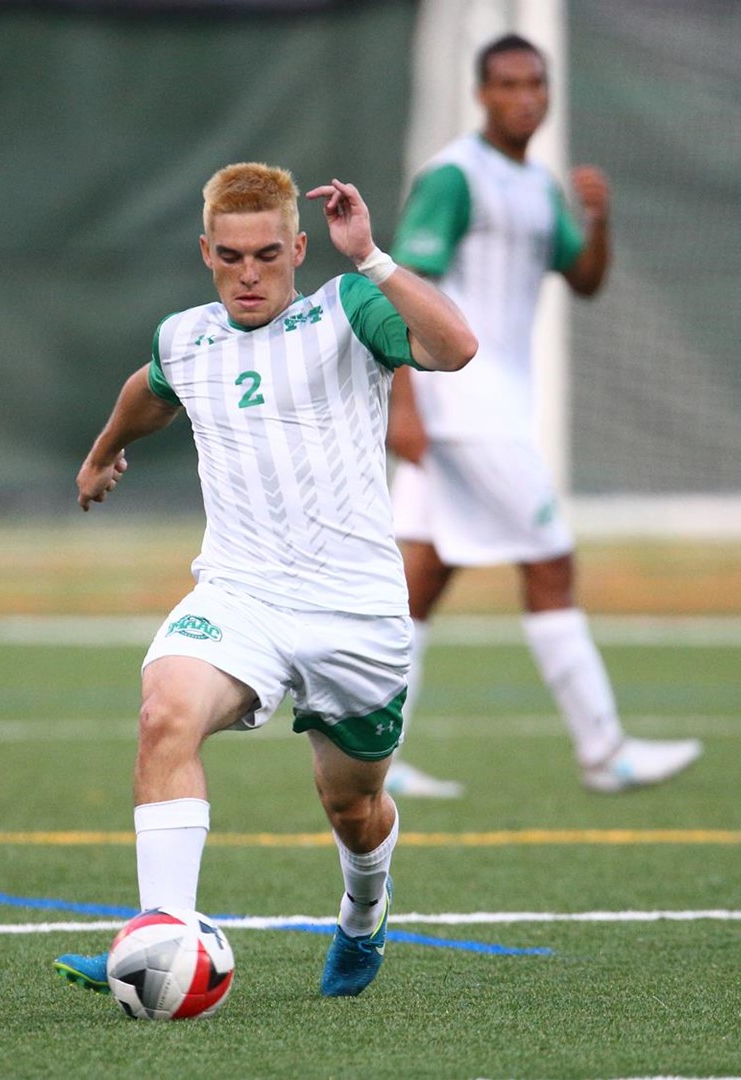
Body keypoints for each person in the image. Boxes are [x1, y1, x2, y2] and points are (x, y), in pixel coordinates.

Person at [55, 162, 475, 1000]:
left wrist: (374, 259)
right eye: (232, 257)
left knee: (354, 808)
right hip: (240, 593)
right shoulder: (186, 337)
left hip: (355, 612)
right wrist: (103, 453)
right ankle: (162, 934)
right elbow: (151, 389)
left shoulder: (348, 310)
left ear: (300, 248)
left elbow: (455, 348)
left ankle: (365, 911)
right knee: (164, 711)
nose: (250, 274)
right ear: (206, 251)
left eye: (269, 255)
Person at [382, 34, 701, 798]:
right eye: (509, 84)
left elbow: (582, 279)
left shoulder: (535, 184)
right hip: (464, 409)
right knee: (551, 564)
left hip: (488, 412)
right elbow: (395, 287)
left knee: (417, 584)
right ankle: (606, 751)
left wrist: (599, 221)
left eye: (537, 84)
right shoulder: (455, 178)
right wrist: (400, 403)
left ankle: (372, 761)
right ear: (481, 93)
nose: (526, 97)